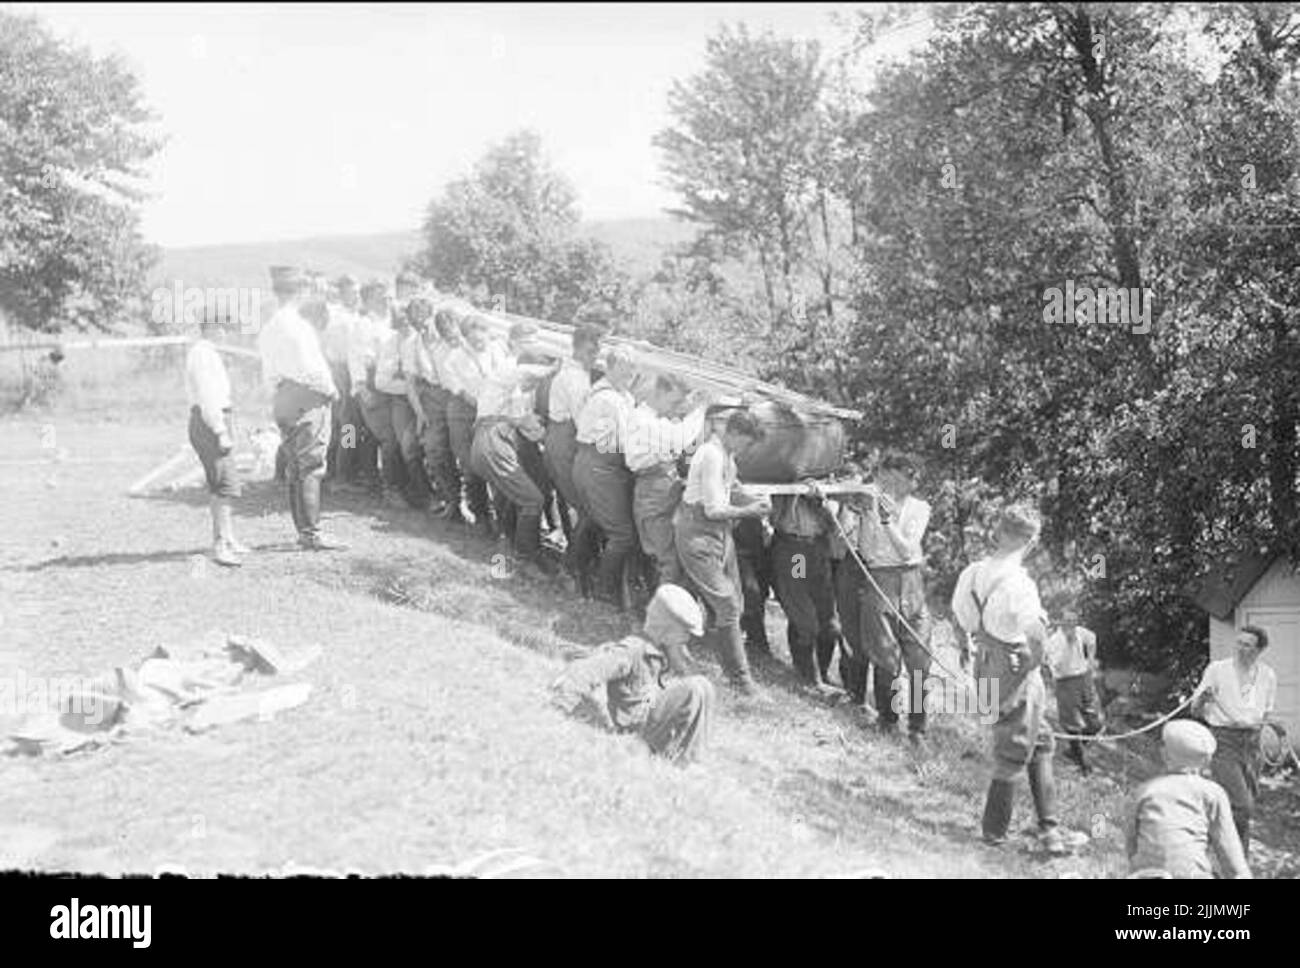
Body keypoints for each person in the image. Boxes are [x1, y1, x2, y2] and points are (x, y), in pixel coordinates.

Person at [951, 503, 1075, 855]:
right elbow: (1035, 634)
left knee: (1041, 741)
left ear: (998, 531)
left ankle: (1048, 825)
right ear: (1031, 541)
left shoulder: (973, 572)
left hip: (985, 661)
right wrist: (1033, 664)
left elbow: (959, 615)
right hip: (1014, 664)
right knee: (1013, 746)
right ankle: (993, 835)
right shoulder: (1020, 583)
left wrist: (966, 646)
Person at [550, 583, 715, 765]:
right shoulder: (632, 651)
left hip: (649, 722)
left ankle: (688, 757)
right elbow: (582, 671)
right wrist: (559, 708)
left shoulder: (659, 654)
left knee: (704, 686)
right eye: (684, 634)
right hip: (636, 732)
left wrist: (679, 661)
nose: (687, 640)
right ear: (665, 630)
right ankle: (689, 762)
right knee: (694, 687)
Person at [674, 408, 772, 697]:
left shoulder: (726, 456)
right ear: (734, 433)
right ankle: (741, 681)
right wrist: (751, 510)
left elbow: (731, 489)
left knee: (732, 602)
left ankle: (668, 648)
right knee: (727, 604)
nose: (747, 449)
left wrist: (753, 500)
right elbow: (714, 508)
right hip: (699, 532)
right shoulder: (711, 455)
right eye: (746, 442)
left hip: (719, 535)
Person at [837, 451, 932, 739]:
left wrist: (888, 521)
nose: (892, 485)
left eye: (899, 478)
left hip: (911, 581)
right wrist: (863, 515)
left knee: (919, 658)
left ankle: (918, 728)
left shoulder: (919, 507)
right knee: (885, 656)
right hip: (880, 580)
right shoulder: (871, 505)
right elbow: (863, 550)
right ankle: (887, 720)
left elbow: (908, 551)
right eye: (887, 478)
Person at [257, 266, 346, 551]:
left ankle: (305, 529)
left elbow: (268, 371)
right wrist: (330, 391)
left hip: (283, 395)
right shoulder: (297, 325)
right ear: (300, 291)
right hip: (306, 396)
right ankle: (311, 532)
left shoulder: (270, 326)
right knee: (311, 465)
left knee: (296, 466)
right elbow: (312, 368)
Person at [469, 321, 560, 579]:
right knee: (533, 500)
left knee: (520, 496)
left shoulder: (517, 393)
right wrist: (555, 367)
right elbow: (526, 372)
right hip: (492, 442)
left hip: (495, 442)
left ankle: (517, 547)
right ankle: (523, 560)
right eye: (533, 378)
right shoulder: (508, 371)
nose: (534, 384)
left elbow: (528, 425)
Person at [1190, 624, 1279, 856]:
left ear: (1259, 650)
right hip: (1224, 740)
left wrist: (1260, 735)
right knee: (1242, 805)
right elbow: (1195, 711)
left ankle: (1232, 858)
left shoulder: (1268, 675)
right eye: (1238, 643)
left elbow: (1266, 712)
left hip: (1252, 745)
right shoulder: (1217, 670)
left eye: (1247, 645)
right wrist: (1203, 700)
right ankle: (1231, 857)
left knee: (1242, 806)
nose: (1241, 648)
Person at [1126, 719, 1252, 879]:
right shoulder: (1213, 793)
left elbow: (1131, 842)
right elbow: (1230, 851)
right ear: (1207, 761)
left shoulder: (1146, 790)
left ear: (1164, 755)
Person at [625, 374, 707, 589]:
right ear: (658, 393)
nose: (675, 409)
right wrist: (702, 409)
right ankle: (662, 615)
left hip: (661, 487)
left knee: (672, 556)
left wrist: (692, 404)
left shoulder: (654, 418)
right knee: (668, 559)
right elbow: (679, 439)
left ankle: (663, 607)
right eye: (674, 402)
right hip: (653, 491)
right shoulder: (643, 421)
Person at [571, 347, 639, 604]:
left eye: (632, 373)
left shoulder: (621, 395)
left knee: (590, 520)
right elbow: (626, 441)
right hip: (599, 464)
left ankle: (574, 572)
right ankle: (604, 592)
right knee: (622, 534)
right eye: (623, 372)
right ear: (609, 368)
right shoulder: (608, 398)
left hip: (595, 461)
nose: (628, 377)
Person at [185, 303, 247, 567]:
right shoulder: (202, 354)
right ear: (211, 327)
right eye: (223, 327)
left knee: (224, 482)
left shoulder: (208, 352)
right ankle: (220, 545)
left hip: (217, 419)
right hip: (211, 422)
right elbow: (208, 397)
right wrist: (221, 430)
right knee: (223, 484)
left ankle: (228, 537)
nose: (226, 332)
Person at [770, 482, 841, 688]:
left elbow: (833, 523)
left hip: (818, 549)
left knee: (829, 622)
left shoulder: (828, 483)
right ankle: (808, 677)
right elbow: (774, 513)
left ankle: (823, 672)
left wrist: (818, 501)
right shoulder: (785, 480)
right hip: (796, 552)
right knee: (803, 615)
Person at [443, 314, 508, 538]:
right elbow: (460, 391)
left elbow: (505, 379)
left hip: (492, 412)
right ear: (465, 339)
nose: (480, 344)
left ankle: (503, 522)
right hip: (464, 414)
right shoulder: (454, 359)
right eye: (474, 341)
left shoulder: (496, 351)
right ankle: (481, 517)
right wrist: (483, 405)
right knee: (472, 467)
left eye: (482, 339)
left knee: (495, 465)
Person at [544, 324, 602, 541]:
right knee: (582, 505)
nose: (594, 357)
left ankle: (575, 551)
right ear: (576, 349)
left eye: (596, 352)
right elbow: (583, 421)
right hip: (564, 439)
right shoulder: (575, 378)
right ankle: (575, 563)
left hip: (561, 436)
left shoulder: (578, 373)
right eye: (589, 352)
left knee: (569, 497)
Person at [374, 297, 432, 509]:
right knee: (394, 442)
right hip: (394, 397)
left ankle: (424, 490)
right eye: (414, 314)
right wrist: (411, 390)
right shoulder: (395, 341)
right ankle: (392, 488)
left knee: (430, 445)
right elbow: (381, 381)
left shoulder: (429, 337)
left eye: (423, 314)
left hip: (428, 397)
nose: (419, 320)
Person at [411, 304, 466, 523]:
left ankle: (481, 510)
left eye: (450, 328)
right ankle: (452, 500)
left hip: (468, 401)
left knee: (468, 454)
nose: (447, 333)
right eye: (442, 329)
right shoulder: (437, 350)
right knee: (434, 449)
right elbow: (418, 381)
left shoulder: (474, 345)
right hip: (439, 397)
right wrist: (419, 412)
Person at [349, 281, 400, 503]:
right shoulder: (362, 324)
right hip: (370, 383)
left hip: (392, 381)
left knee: (375, 436)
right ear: (369, 300)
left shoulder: (391, 321)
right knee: (381, 435)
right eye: (382, 297)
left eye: (388, 297)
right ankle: (388, 488)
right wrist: (361, 388)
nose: (387, 301)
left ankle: (374, 481)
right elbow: (356, 357)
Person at [1043, 606, 1103, 774]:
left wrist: (1090, 658)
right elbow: (1058, 666)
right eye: (1067, 621)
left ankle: (1074, 751)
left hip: (1084, 678)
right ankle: (1084, 766)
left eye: (1074, 621)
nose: (1071, 625)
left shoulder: (1080, 632)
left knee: (1096, 724)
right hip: (1065, 682)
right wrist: (1068, 646)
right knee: (1073, 725)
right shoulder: (1054, 641)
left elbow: (1092, 638)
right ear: (1061, 622)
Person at [322, 275, 363, 490]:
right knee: (347, 426)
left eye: (357, 292)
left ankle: (341, 471)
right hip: (342, 372)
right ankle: (341, 475)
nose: (356, 296)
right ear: (342, 293)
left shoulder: (355, 315)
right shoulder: (338, 318)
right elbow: (338, 351)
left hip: (352, 371)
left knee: (348, 425)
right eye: (352, 292)